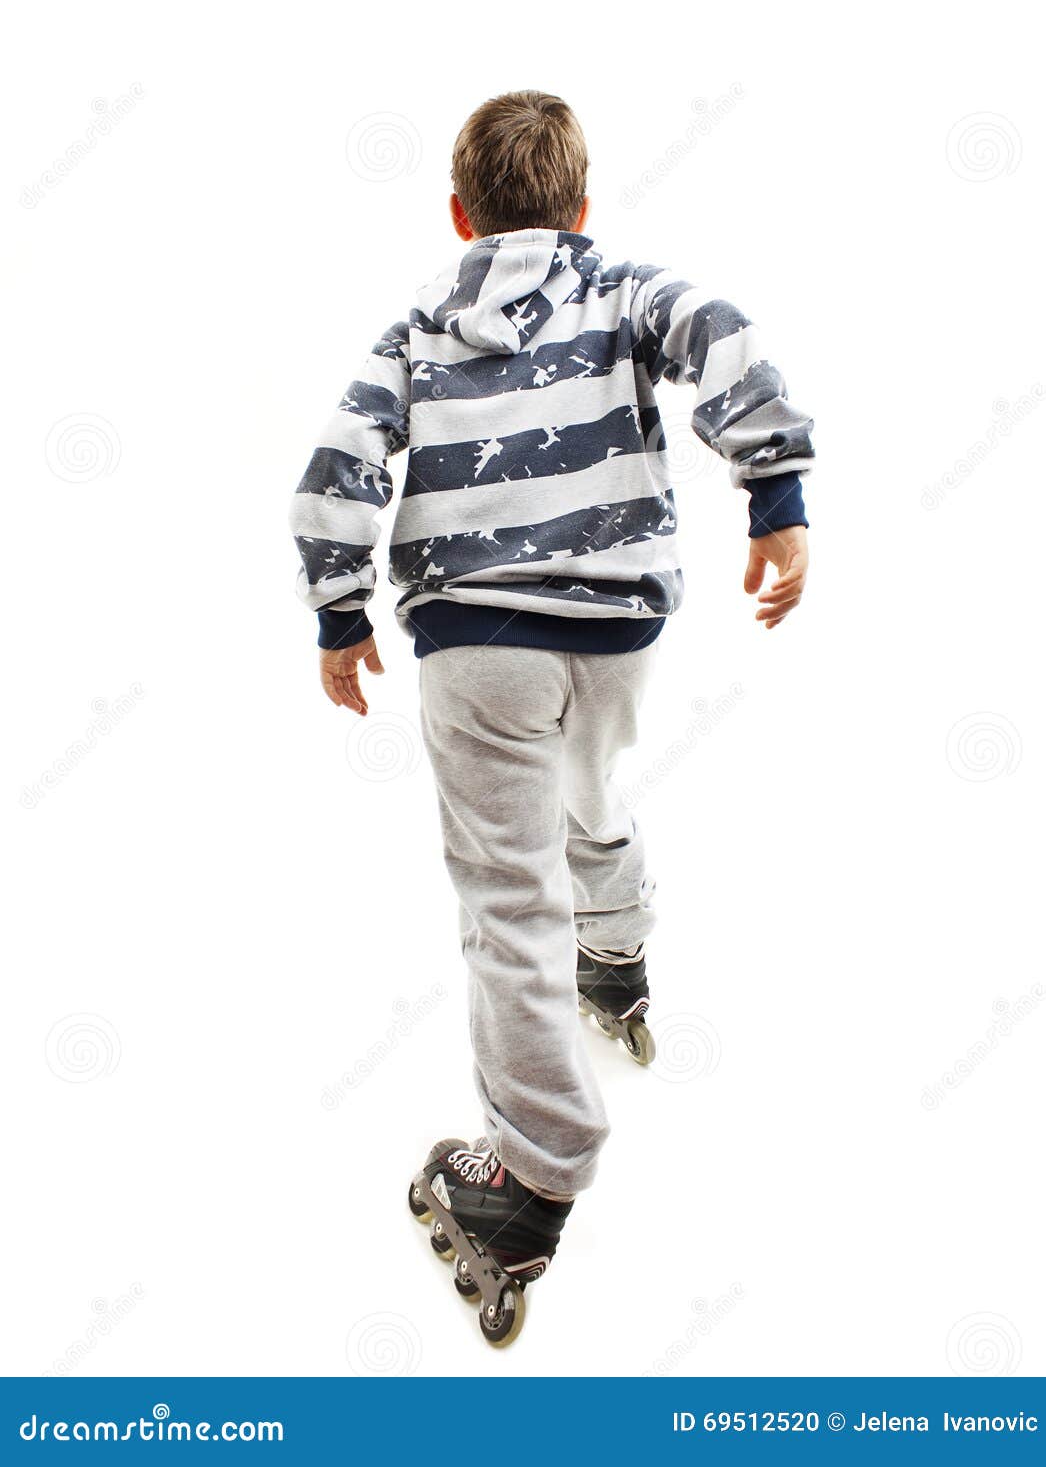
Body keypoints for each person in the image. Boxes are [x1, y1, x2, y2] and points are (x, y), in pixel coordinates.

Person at [290, 90, 814, 1344]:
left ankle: (528, 1179)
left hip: (478, 651)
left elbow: (332, 473)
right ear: (580, 208)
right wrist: (775, 494)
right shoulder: (626, 288)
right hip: (617, 633)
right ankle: (619, 956)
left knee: (507, 899)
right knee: (596, 793)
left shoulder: (417, 326)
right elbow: (722, 331)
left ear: (460, 213)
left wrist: (339, 617)